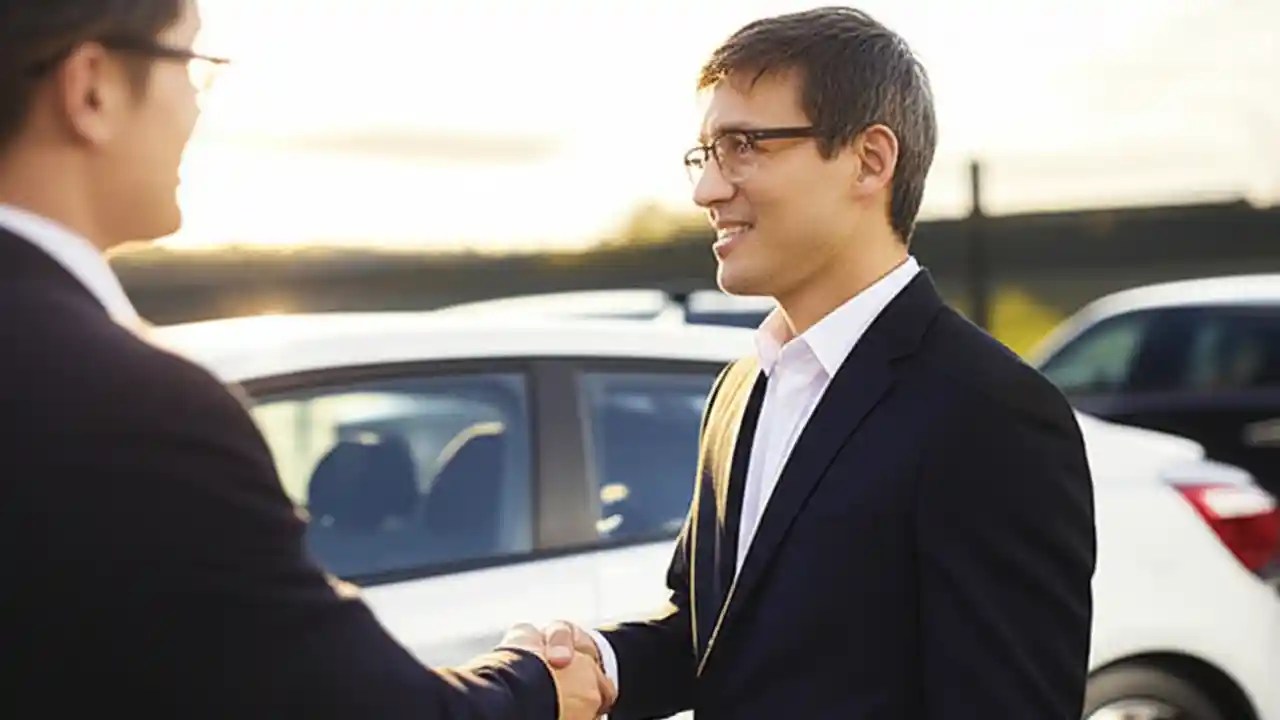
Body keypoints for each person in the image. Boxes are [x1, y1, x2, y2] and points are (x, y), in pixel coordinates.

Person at [0, 1, 613, 717]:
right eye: (193, 66)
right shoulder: (133, 403)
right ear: (93, 88)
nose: (198, 111)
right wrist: (534, 683)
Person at [536, 7, 1097, 719]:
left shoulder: (990, 414)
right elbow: (710, 638)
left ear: (870, 161)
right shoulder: (740, 387)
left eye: (743, 145)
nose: (706, 189)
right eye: (706, 152)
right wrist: (590, 659)